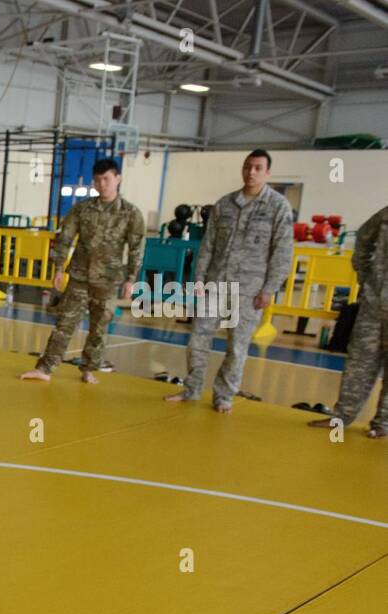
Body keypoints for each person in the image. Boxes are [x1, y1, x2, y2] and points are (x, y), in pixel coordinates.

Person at [165, 149, 294, 413]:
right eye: (248, 167)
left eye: (258, 168)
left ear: (268, 172)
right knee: (197, 341)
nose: (251, 172)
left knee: (237, 347)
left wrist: (270, 289)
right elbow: (208, 246)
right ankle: (192, 388)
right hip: (215, 285)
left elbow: (282, 251)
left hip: (249, 291)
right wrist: (198, 279)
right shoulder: (224, 204)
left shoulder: (278, 207)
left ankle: (224, 395)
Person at [19, 158, 145, 385]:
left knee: (99, 328)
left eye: (106, 179)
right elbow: (65, 238)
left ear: (118, 178)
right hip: (79, 276)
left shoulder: (130, 214)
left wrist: (131, 279)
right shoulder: (82, 209)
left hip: (107, 280)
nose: (102, 184)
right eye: (97, 180)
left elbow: (136, 247)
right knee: (64, 324)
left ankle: (89, 368)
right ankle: (45, 368)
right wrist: (58, 268)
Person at [308, 204, 387, 438]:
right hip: (373, 304)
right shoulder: (384, 215)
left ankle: (383, 424)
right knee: (359, 363)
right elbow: (363, 238)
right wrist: (367, 276)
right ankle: (341, 417)